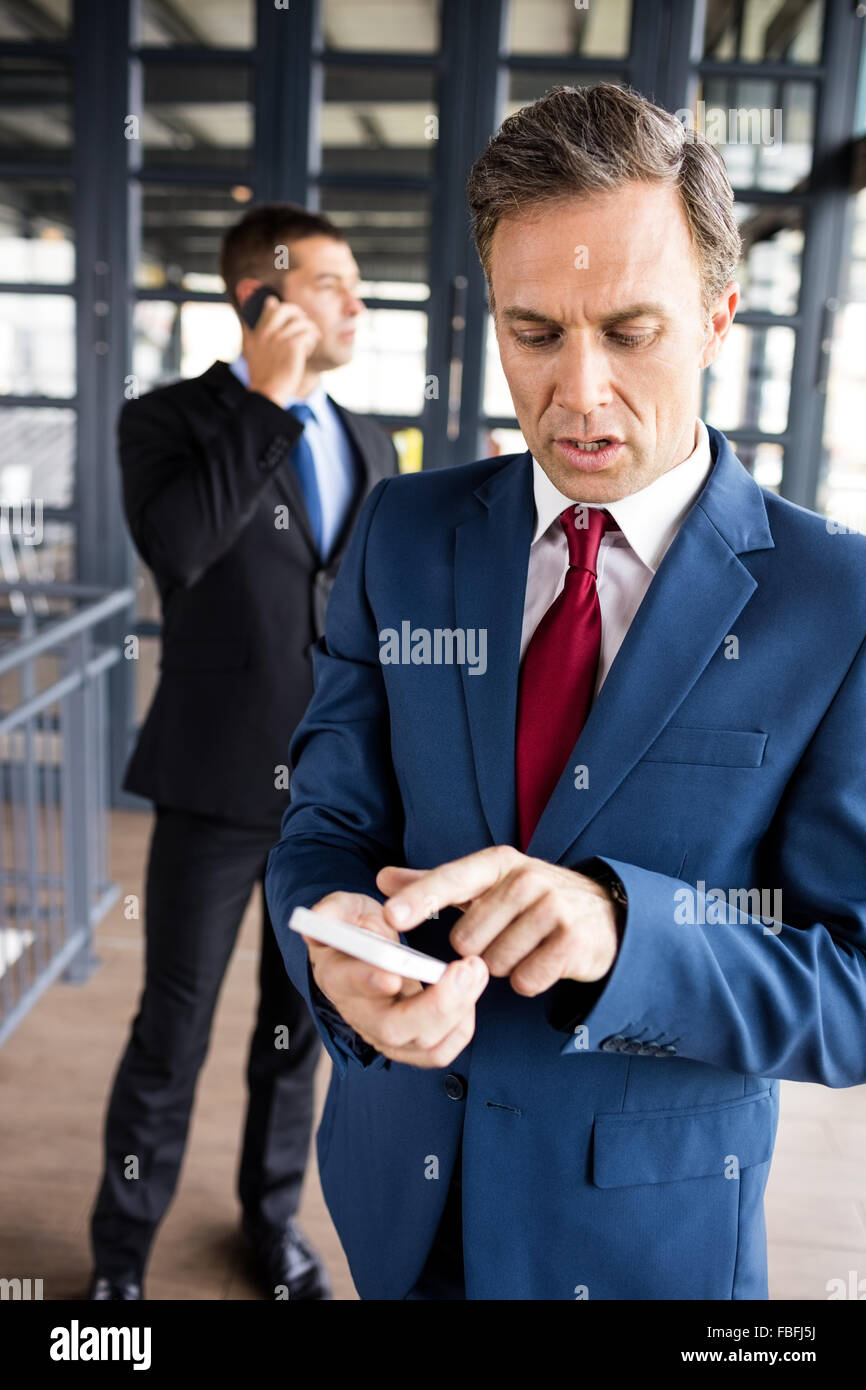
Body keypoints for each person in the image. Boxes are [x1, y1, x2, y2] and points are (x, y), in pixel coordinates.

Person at [264, 85, 866, 1301]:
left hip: (646, 1247)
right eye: (533, 333)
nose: (577, 392)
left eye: (629, 332)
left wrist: (622, 932)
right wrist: (330, 956)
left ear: (716, 318)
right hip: (395, 1200)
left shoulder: (834, 598)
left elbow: (850, 984)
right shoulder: (402, 532)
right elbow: (322, 828)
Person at [88, 204, 398, 1301]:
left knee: (295, 1031)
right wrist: (267, 400)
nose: (356, 302)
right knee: (169, 1031)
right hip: (214, 788)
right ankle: (120, 1260)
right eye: (331, 281)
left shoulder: (368, 440)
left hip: (335, 802)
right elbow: (177, 551)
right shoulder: (165, 422)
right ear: (260, 298)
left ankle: (271, 1226)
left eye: (357, 283)